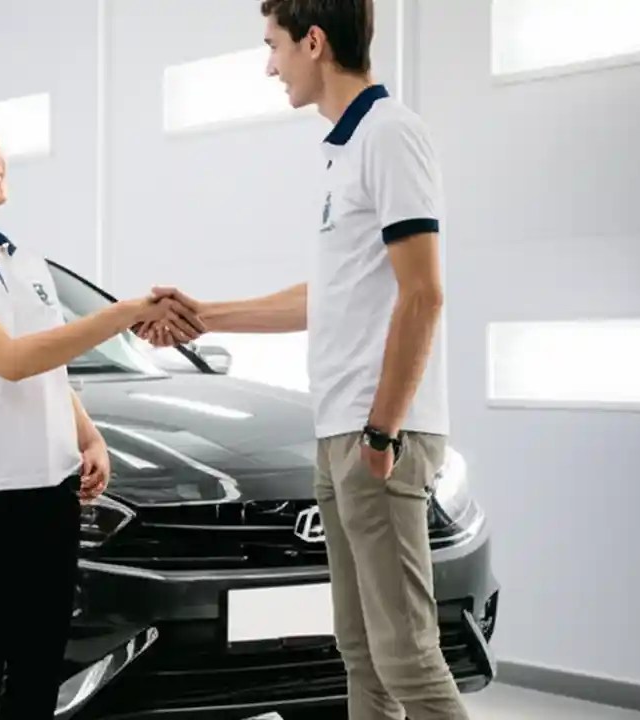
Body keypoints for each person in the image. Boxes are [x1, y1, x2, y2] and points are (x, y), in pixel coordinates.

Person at [141, 1, 467, 718]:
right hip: (341, 431)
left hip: (379, 436)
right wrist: (205, 315)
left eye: (274, 45)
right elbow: (331, 295)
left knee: (407, 657)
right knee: (361, 652)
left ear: (313, 42)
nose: (270, 66)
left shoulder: (390, 135)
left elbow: (423, 294)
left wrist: (382, 430)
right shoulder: (342, 151)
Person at [0, 101, 201, 719]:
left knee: (38, 676)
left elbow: (50, 365)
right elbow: (8, 358)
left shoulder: (24, 261)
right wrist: (120, 314)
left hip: (50, 488)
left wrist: (89, 437)